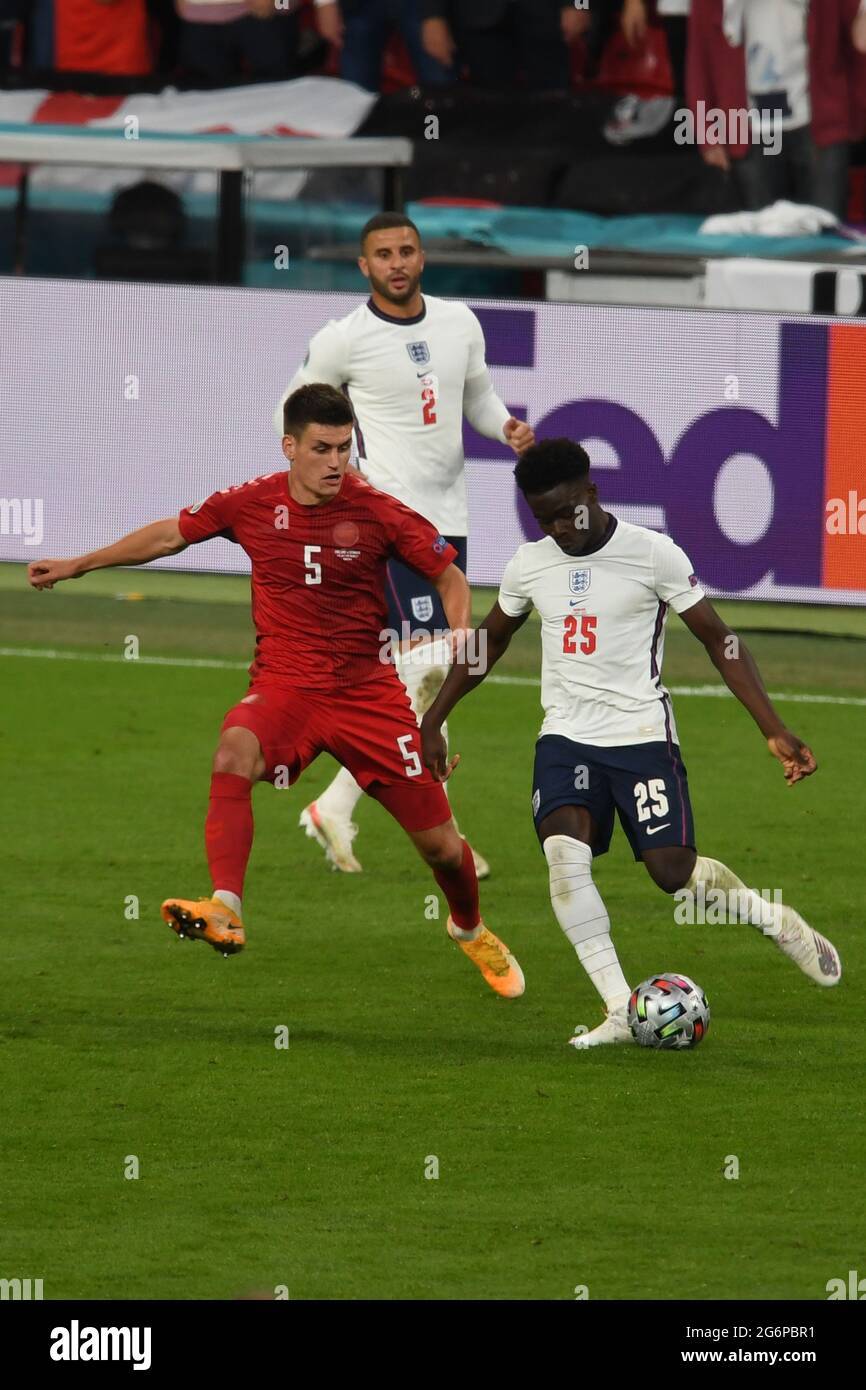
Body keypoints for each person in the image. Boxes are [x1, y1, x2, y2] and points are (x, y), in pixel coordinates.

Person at [26, 385, 525, 1000]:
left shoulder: (377, 510)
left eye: (344, 448)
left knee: (444, 850)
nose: (336, 461)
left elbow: (448, 575)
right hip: (286, 685)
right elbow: (169, 536)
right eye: (322, 448)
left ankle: (469, 928)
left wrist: (455, 636)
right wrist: (79, 564)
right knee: (233, 751)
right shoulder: (251, 503)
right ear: (290, 446)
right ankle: (226, 905)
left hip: (367, 693)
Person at [420, 438, 841, 1048]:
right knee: (565, 858)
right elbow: (488, 644)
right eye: (545, 518)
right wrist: (433, 719)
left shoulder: (653, 553)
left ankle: (773, 919)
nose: (560, 527)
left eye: (568, 511)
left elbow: (719, 640)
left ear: (592, 491)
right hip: (566, 738)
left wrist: (772, 726)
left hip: (642, 736)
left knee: (672, 874)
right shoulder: (531, 564)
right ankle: (621, 1007)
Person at [273, 212, 534, 878]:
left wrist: (504, 425)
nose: (397, 262)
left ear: (423, 257)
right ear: (363, 267)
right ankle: (365, 816)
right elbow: (292, 410)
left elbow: (476, 396)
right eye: (383, 254)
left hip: (450, 521)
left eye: (407, 251)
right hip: (384, 523)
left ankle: (348, 809)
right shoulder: (343, 340)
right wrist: (344, 475)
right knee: (426, 674)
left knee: (414, 682)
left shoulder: (459, 324)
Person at [688, 0, 866, 219]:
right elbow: (699, 58)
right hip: (750, 130)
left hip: (819, 124)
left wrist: (857, 112)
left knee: (826, 232)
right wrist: (707, 134)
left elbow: (857, 40)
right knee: (763, 239)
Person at [421, 0, 582, 90]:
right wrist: (432, 14)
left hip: (548, 17)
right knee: (488, 118)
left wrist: (580, 4)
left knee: (553, 109)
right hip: (477, 17)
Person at [314, 0, 455, 91]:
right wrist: (325, 2)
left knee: (439, 85)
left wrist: (435, 14)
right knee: (356, 92)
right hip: (358, 8)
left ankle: (437, 135)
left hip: (422, 6)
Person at [175, 0, 301, 85]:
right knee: (203, 93)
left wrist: (277, 3)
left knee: (279, 87)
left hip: (268, 16)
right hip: (201, 16)